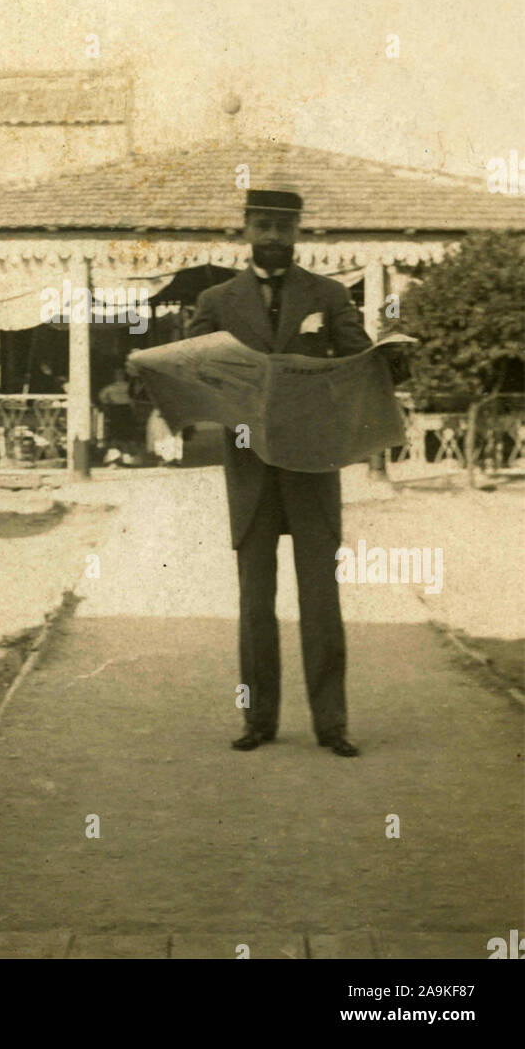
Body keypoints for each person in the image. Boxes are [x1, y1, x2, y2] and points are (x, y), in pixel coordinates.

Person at [188, 183, 405, 758]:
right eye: (263, 225)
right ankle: (258, 721)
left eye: (284, 228)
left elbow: (358, 360)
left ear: (299, 232)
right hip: (250, 466)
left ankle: (332, 726)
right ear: (246, 229)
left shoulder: (329, 295)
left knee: (320, 596)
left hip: (313, 464)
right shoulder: (216, 300)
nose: (273, 237)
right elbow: (192, 371)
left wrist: (389, 358)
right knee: (255, 602)